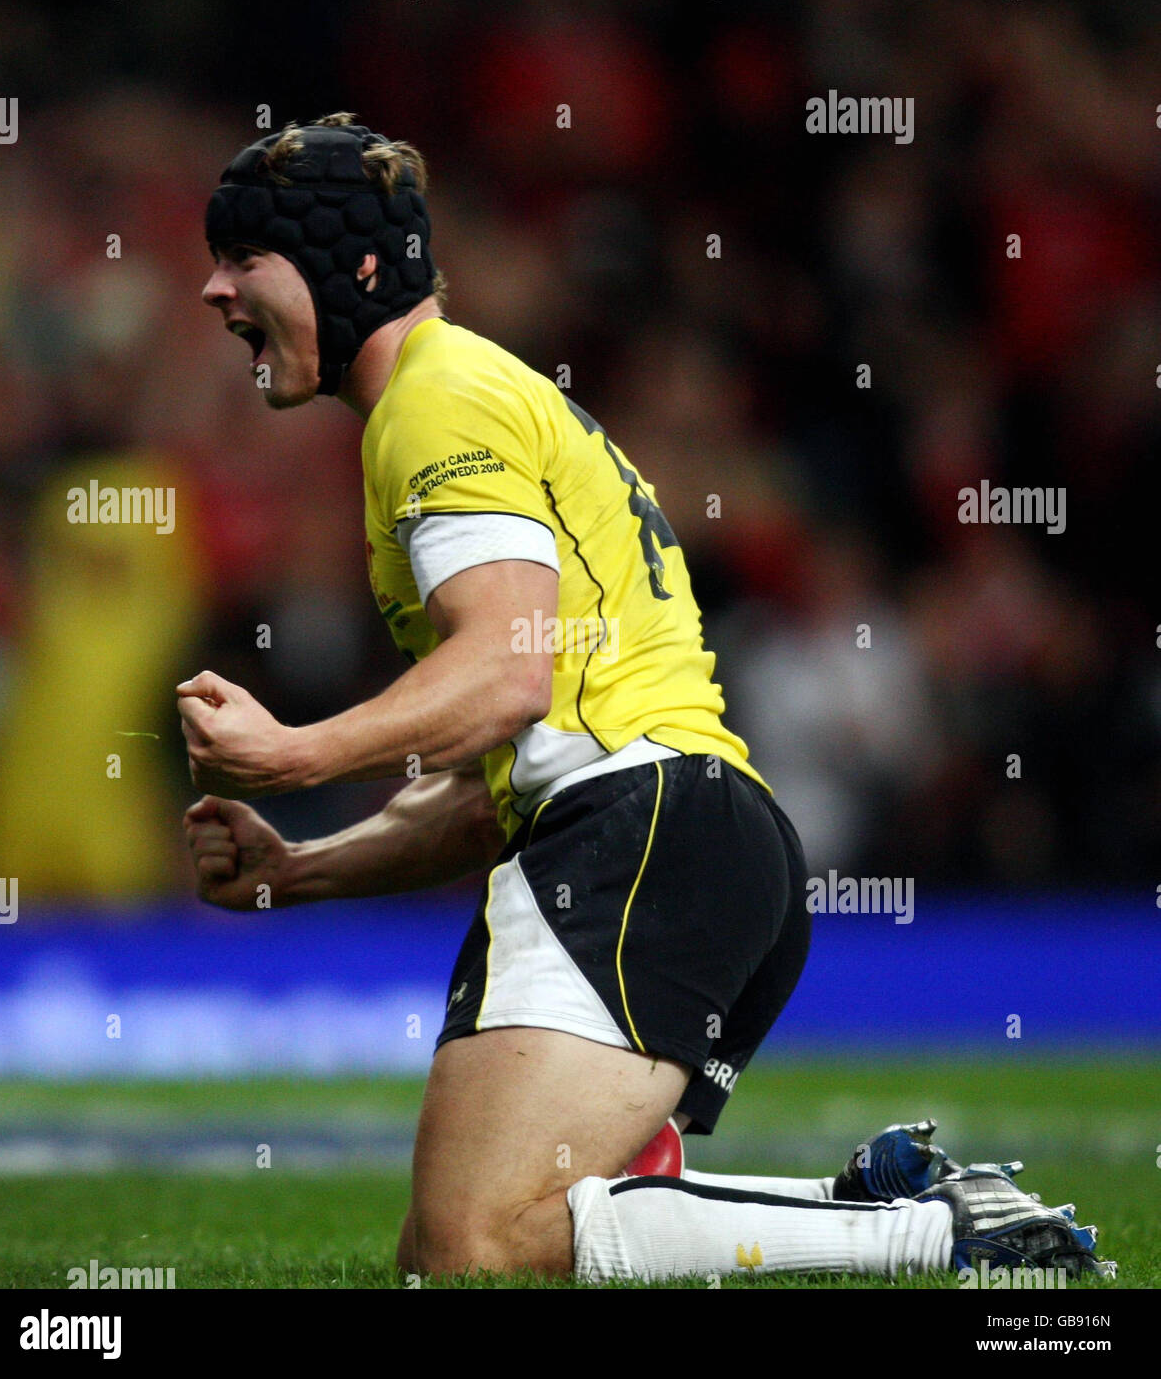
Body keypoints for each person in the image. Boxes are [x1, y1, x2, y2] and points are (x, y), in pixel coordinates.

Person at [180, 114, 1111, 1283]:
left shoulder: (437, 401)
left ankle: (948, 1240)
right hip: (684, 831)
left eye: (244, 256)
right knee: (445, 1253)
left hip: (639, 832)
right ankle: (884, 1200)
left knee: (477, 1243)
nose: (213, 290)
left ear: (354, 268)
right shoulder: (475, 398)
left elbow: (506, 669)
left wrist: (297, 756)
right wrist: (301, 868)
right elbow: (496, 775)